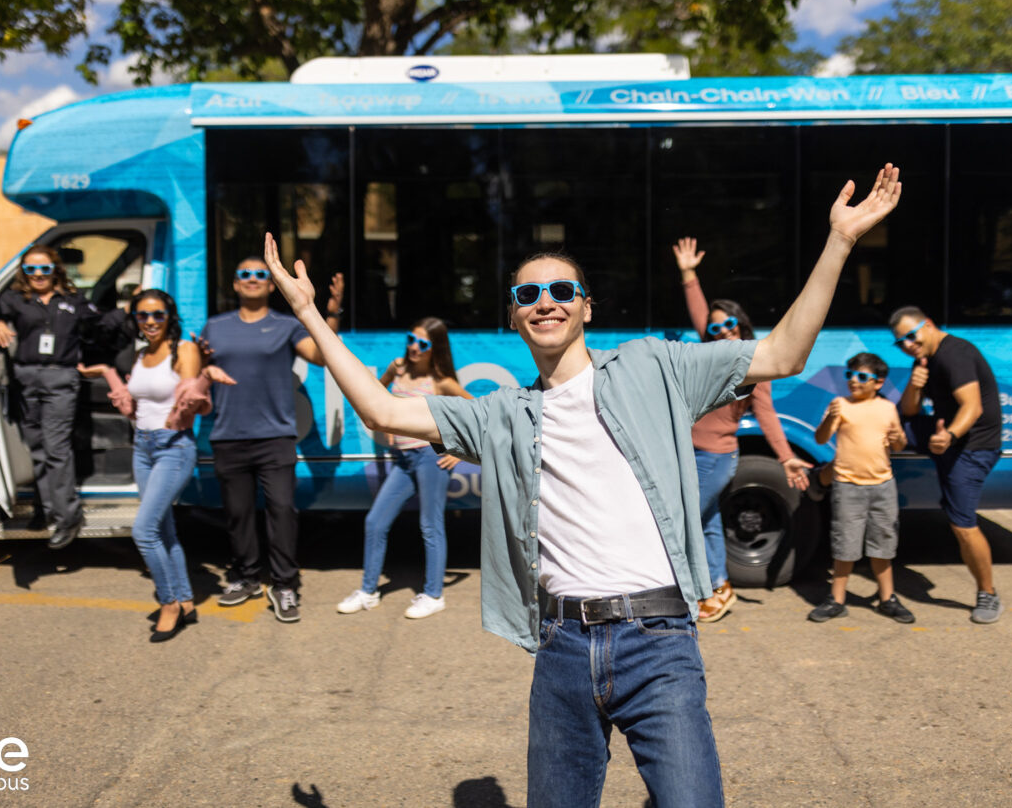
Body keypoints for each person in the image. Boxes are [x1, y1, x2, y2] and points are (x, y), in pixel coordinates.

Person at [263, 163, 902, 807]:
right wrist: (308, 312)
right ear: (514, 316)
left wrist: (840, 241)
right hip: (562, 649)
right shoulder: (501, 414)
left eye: (562, 290)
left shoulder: (653, 366)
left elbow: (784, 354)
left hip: (659, 642)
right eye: (528, 294)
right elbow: (381, 410)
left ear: (586, 306)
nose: (545, 302)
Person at [672, 237, 812, 621]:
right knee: (706, 518)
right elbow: (700, 314)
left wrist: (786, 457)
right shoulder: (708, 355)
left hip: (715, 458)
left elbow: (766, 415)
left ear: (741, 326)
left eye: (729, 324)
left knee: (688, 518)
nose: (722, 330)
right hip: (691, 453)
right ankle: (718, 587)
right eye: (715, 327)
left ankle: (702, 588)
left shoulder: (755, 366)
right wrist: (689, 274)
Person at [199, 256, 344, 624]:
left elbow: (321, 357)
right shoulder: (214, 327)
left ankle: (283, 584)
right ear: (235, 284)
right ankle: (247, 577)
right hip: (228, 436)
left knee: (281, 511)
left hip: (275, 437)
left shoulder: (286, 326)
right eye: (244, 274)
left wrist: (331, 312)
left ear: (270, 284)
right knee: (238, 514)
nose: (252, 278)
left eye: (260, 274)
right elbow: (194, 371)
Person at [83, 290, 234, 641]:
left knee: (143, 531)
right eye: (142, 315)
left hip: (173, 448)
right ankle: (185, 600)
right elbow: (135, 408)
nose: (150, 321)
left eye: (157, 314)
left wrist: (207, 376)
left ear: (170, 316)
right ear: (135, 320)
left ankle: (168, 603)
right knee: (164, 530)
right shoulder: (141, 354)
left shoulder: (184, 349)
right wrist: (107, 372)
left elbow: (192, 397)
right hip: (143, 447)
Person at [0, 245, 123, 549]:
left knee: (56, 448)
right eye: (31, 269)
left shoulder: (73, 300)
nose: (38, 274)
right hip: (25, 379)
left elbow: (101, 324)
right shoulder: (13, 299)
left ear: (55, 269)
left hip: (60, 378)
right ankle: (45, 509)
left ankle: (68, 516)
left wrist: (130, 310)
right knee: (37, 448)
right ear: (23, 272)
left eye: (44, 268)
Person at [336, 318, 473, 620]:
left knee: (430, 525)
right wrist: (388, 377)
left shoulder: (441, 382)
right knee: (375, 521)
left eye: (422, 344)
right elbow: (375, 394)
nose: (413, 347)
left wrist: (458, 453)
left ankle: (434, 595)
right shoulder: (399, 370)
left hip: (429, 458)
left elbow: (476, 413)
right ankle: (368, 591)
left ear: (434, 348)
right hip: (404, 460)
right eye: (411, 339)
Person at [890, 306, 1004, 624]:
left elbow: (973, 407)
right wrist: (914, 384)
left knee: (962, 525)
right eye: (900, 342)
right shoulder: (924, 358)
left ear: (928, 325)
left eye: (911, 336)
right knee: (888, 425)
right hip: (946, 436)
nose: (908, 345)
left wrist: (949, 436)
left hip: (973, 445)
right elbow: (908, 412)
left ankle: (988, 594)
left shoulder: (955, 354)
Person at [807, 352, 913, 623]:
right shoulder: (840, 405)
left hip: (882, 487)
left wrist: (898, 438)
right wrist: (829, 419)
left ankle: (887, 598)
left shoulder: (887, 408)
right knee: (845, 544)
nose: (854, 381)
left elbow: (898, 444)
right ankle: (836, 600)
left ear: (878, 382)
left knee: (883, 544)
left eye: (862, 376)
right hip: (847, 486)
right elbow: (820, 439)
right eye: (850, 375)